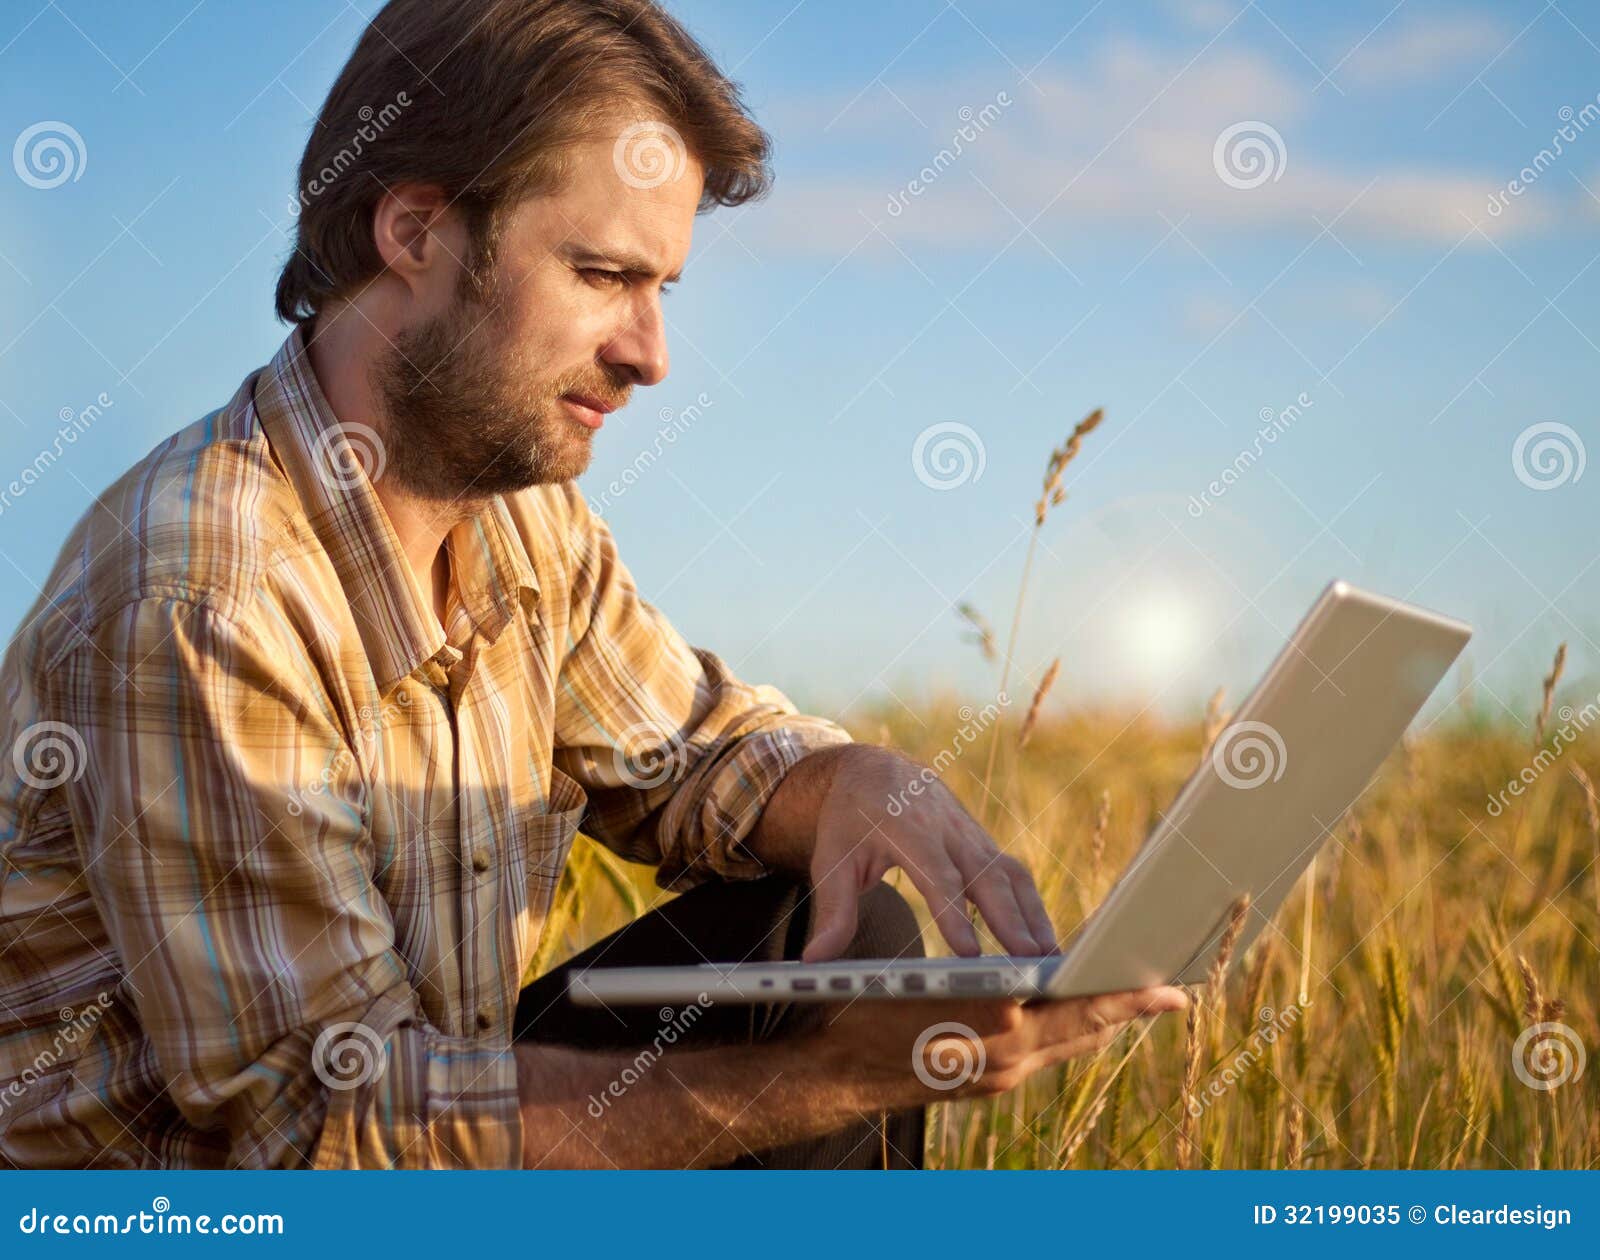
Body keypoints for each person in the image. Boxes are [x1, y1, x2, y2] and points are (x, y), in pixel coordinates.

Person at [0, 0, 1185, 1169]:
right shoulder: (205, 601)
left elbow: (690, 753)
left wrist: (848, 785)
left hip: (395, 1122)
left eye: (661, 286)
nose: (650, 353)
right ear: (414, 232)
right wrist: (841, 1078)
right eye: (604, 274)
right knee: (818, 1044)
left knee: (817, 928)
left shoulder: (520, 516)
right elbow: (324, 1131)